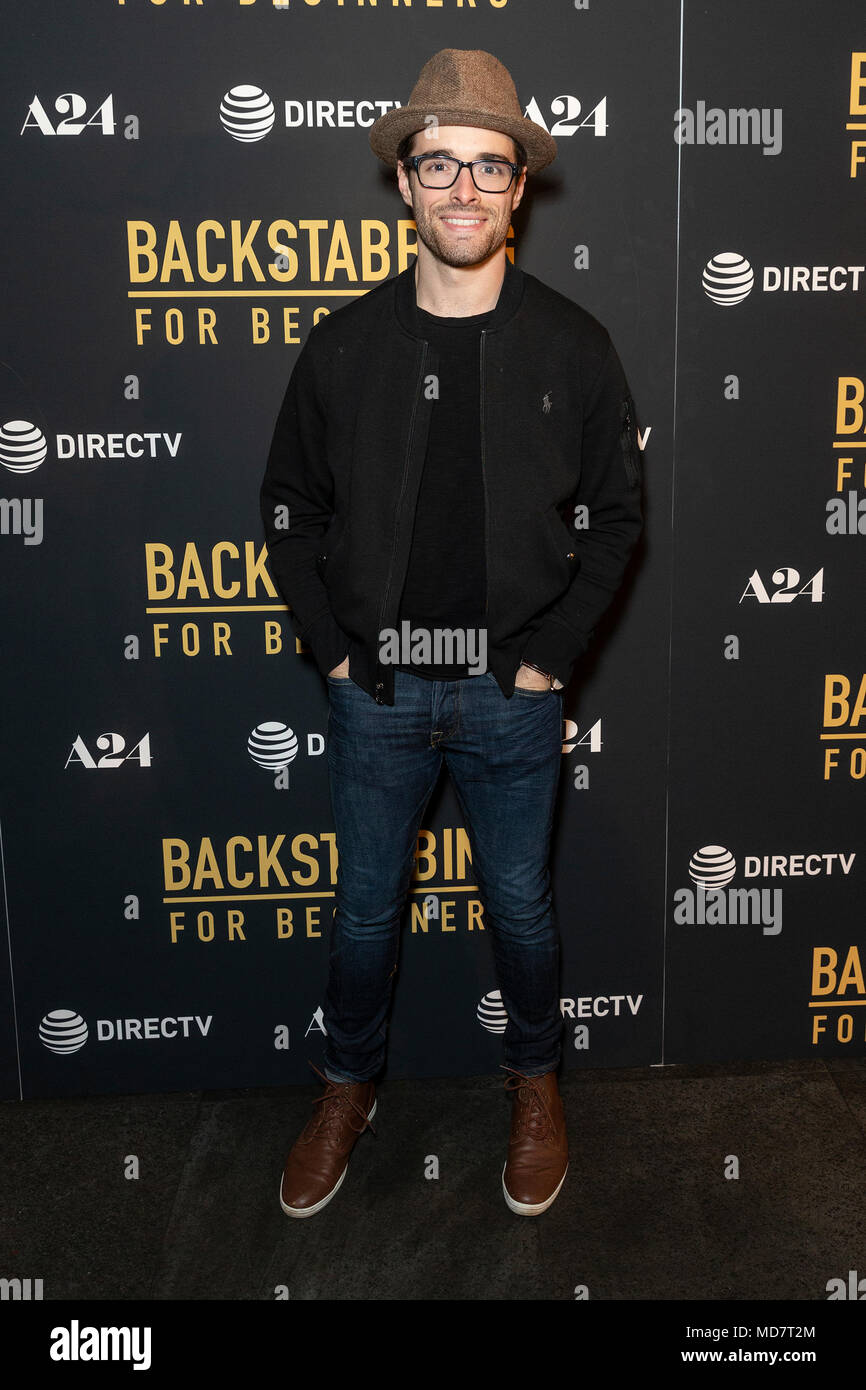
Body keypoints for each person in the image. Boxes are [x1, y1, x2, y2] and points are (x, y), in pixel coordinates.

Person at [260, 48, 643, 1219]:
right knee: (364, 909)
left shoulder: (574, 345)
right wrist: (333, 651)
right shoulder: (340, 345)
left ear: (519, 184)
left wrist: (548, 654)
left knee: (520, 907)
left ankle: (534, 1085)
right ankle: (346, 1088)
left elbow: (619, 516)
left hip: (508, 691)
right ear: (404, 183)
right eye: (439, 164)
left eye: (487, 164)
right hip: (373, 690)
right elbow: (288, 509)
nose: (462, 188)